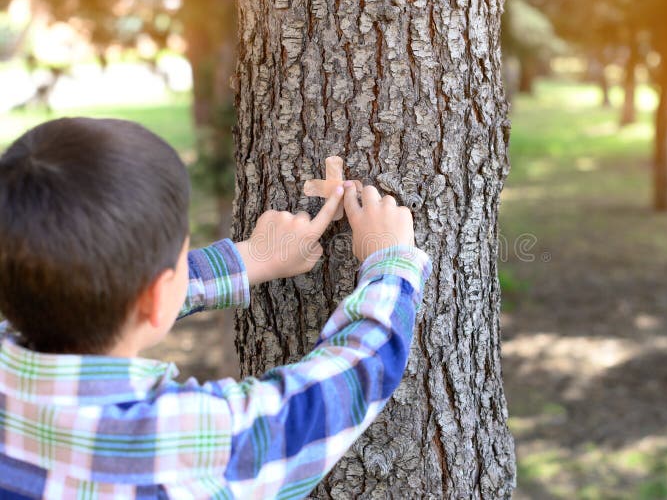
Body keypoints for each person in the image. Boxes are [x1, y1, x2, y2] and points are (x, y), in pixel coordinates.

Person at [0, 117, 431, 499]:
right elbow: (344, 383)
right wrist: (389, 260)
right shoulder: (188, 443)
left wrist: (251, 258)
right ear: (155, 296)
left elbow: (94, 283)